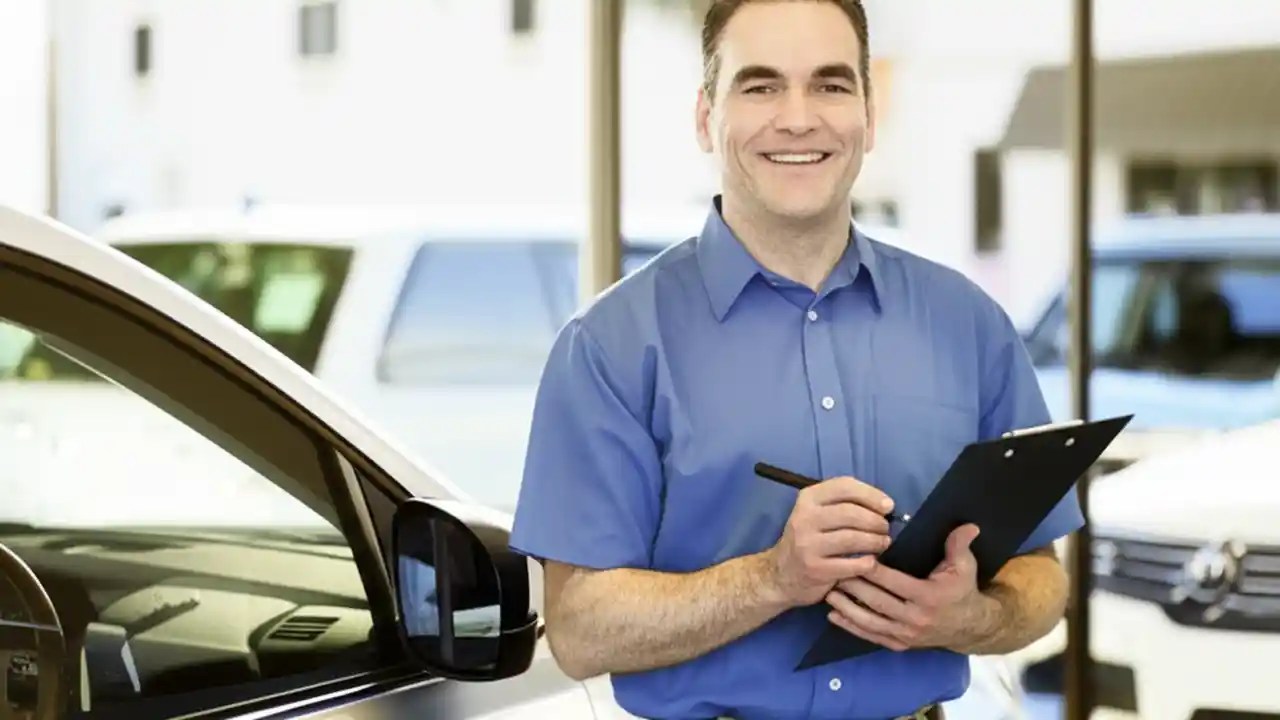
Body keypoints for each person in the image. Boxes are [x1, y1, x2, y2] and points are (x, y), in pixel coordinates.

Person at [509, 1, 1081, 718]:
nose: (799, 117)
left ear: (870, 116)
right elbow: (580, 630)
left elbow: (1043, 579)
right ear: (704, 116)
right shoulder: (609, 346)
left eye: (831, 85)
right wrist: (773, 578)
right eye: (760, 86)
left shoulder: (968, 325)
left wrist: (968, 617)